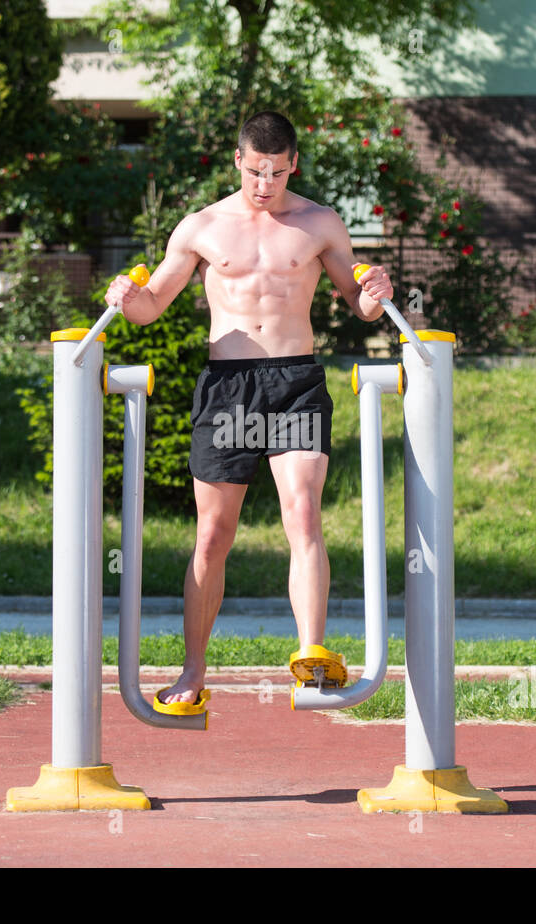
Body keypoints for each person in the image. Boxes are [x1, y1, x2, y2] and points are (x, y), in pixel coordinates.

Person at [103, 110, 394, 709]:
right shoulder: (201, 227)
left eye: (278, 174)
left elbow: (357, 303)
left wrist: (374, 295)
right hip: (228, 386)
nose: (266, 185)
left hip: (295, 381)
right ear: (238, 160)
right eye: (256, 172)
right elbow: (151, 305)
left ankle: (312, 655)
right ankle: (192, 671)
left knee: (303, 514)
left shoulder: (319, 223)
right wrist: (125, 298)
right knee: (213, 535)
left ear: (294, 166)